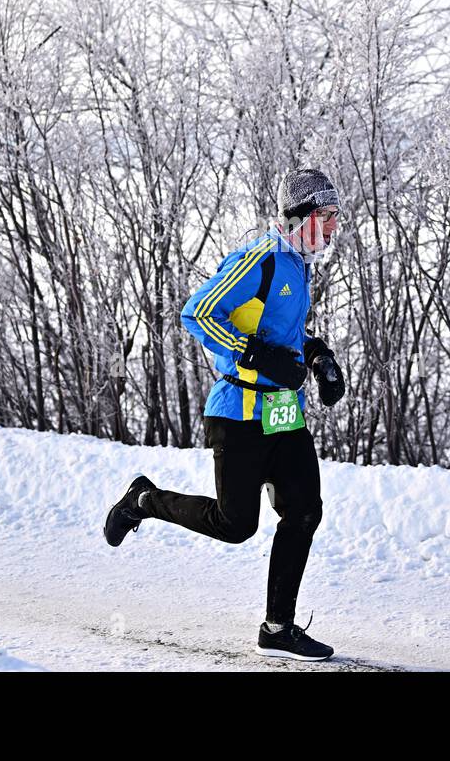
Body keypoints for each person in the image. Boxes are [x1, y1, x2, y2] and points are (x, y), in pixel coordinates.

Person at [103, 167, 347, 661]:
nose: (333, 228)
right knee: (236, 525)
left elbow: (284, 335)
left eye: (336, 218)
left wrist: (318, 357)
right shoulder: (260, 259)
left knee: (304, 511)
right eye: (325, 217)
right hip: (238, 414)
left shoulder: (300, 268)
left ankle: (278, 629)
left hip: (283, 413)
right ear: (299, 217)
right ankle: (144, 500)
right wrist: (253, 354)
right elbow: (197, 312)